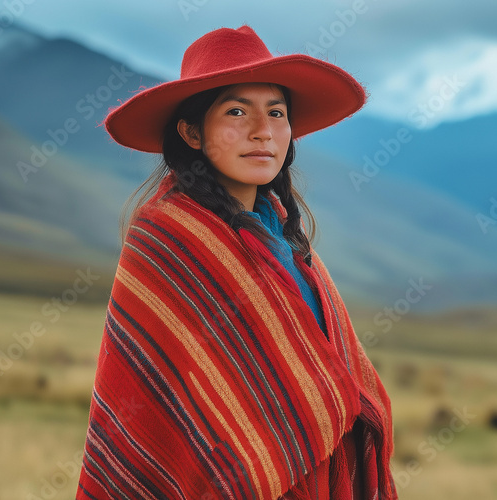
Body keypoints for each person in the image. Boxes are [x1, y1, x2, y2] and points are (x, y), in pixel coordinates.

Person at [75, 24, 396, 499]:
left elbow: (338, 376)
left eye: (276, 112)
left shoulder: (287, 239)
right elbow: (152, 403)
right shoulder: (167, 240)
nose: (263, 131)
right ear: (191, 131)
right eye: (236, 111)